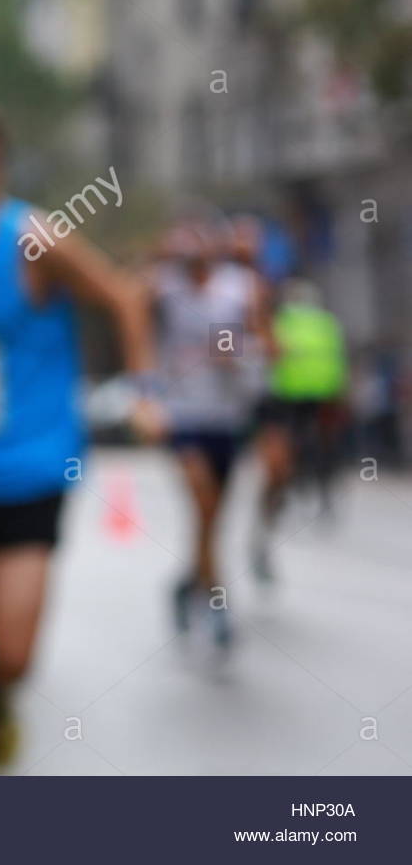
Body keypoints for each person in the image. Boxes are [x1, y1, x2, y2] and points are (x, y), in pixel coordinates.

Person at [0, 98, 163, 775]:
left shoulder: (36, 241)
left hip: (30, 471)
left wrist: (144, 394)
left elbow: (125, 298)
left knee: (11, 657)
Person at [148, 215, 272, 646]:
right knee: (202, 505)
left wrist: (237, 353)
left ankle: (186, 584)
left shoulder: (240, 287)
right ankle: (217, 605)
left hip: (228, 418)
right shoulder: (163, 287)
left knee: (211, 521)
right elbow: (124, 300)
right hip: (183, 418)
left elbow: (265, 344)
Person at [251, 278, 348, 580]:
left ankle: (314, 496)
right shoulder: (275, 321)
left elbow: (336, 361)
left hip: (313, 403)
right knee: (278, 470)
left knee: (319, 453)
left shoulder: (321, 324)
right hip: (278, 403)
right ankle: (263, 535)